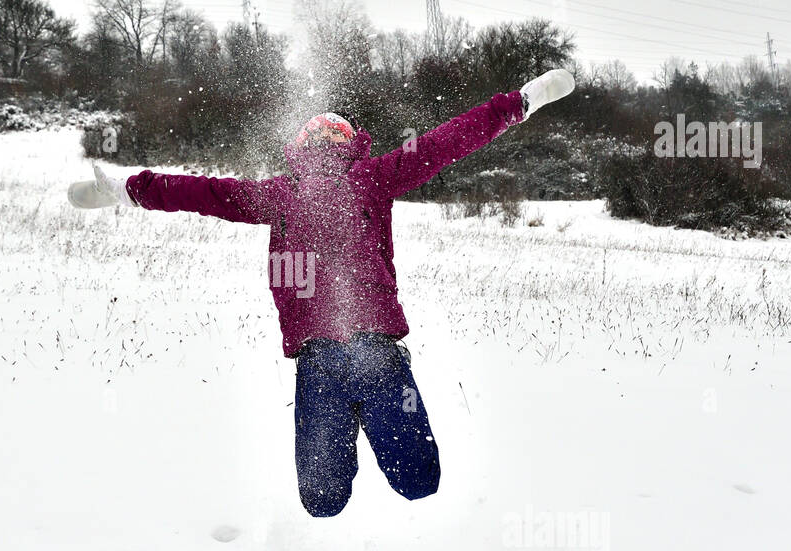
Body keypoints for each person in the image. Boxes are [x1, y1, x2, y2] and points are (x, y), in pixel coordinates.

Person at [69, 69, 576, 516]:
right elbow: (199, 192)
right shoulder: (285, 193)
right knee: (323, 500)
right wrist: (124, 190)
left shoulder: (372, 178)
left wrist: (524, 101)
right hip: (319, 364)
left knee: (415, 483)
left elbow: (446, 141)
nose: (328, 143)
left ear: (347, 145)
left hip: (376, 355)